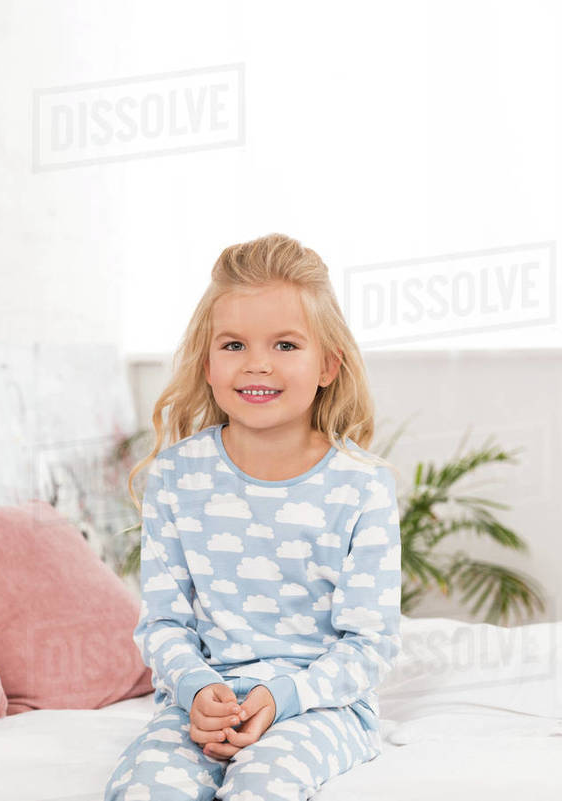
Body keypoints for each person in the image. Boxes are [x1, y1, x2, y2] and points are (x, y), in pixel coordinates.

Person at [104, 233, 402, 800]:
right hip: (202, 703)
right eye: (234, 345)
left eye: (286, 346)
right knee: (143, 790)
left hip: (319, 704)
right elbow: (164, 624)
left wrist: (281, 698)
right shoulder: (175, 476)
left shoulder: (361, 486)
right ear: (209, 363)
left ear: (328, 364)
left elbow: (369, 643)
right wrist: (196, 692)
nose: (257, 364)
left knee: (262, 786)